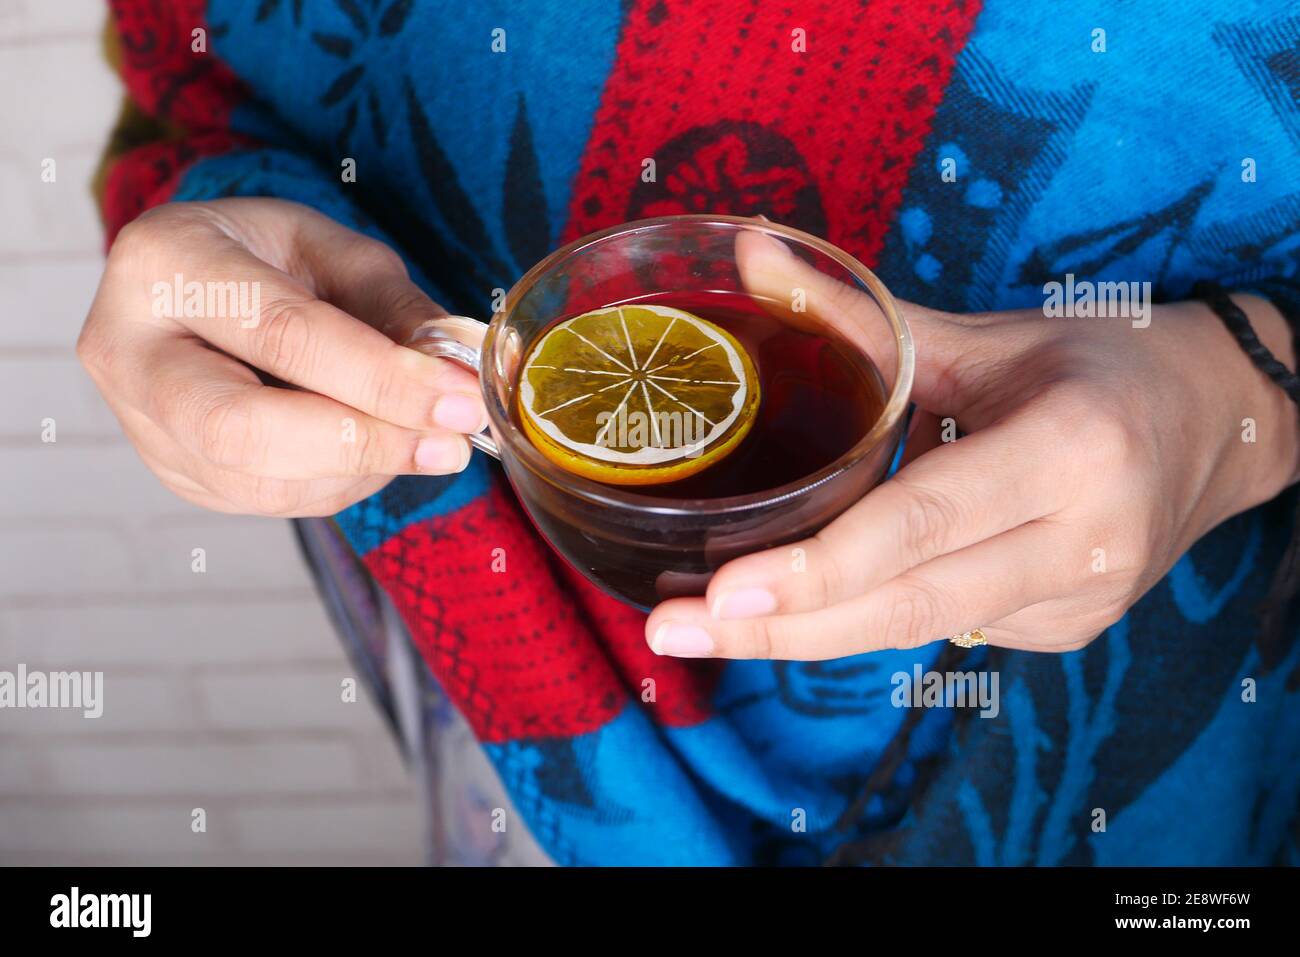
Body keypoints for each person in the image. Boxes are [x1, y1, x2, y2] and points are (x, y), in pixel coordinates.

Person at [80, 0, 1300, 865]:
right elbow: (192, 79)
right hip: (505, 668)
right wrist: (198, 245)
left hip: (1167, 736)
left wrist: (1238, 394)